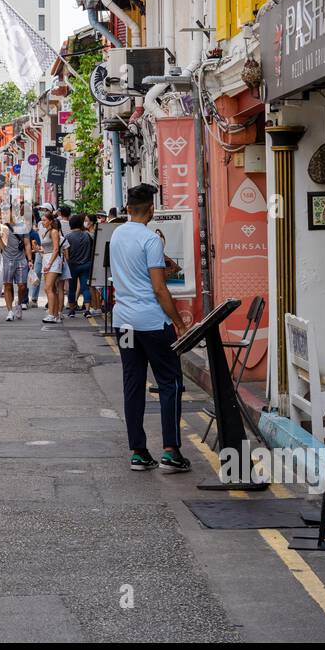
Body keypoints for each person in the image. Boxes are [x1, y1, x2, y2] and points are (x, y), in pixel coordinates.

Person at [111, 184, 191, 473]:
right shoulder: (151, 240)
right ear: (152, 210)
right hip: (153, 324)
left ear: (128, 209)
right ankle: (170, 451)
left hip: (124, 322)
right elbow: (159, 288)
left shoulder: (117, 234)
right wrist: (180, 324)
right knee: (170, 383)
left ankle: (138, 452)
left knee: (133, 384)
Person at [0, 208, 33, 321]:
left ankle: (18, 304)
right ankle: (9, 311)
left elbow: (27, 244)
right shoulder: (2, 227)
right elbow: (1, 246)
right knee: (7, 285)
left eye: (6, 212)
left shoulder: (23, 226)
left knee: (22, 286)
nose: (4, 214)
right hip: (7, 259)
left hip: (21, 259)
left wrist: (29, 260)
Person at [64, 213, 94, 317]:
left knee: (71, 289)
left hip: (72, 265)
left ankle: (72, 310)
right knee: (85, 287)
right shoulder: (87, 235)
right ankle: (87, 310)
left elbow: (65, 252)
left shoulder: (68, 237)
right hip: (86, 264)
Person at [39, 208, 65, 324]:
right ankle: (55, 315)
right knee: (52, 288)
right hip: (46, 258)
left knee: (48, 287)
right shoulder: (45, 232)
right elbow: (45, 249)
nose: (42, 222)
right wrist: (37, 250)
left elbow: (55, 249)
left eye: (44, 220)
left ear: (50, 221)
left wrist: (49, 264)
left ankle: (51, 314)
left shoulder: (54, 232)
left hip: (53, 261)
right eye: (42, 220)